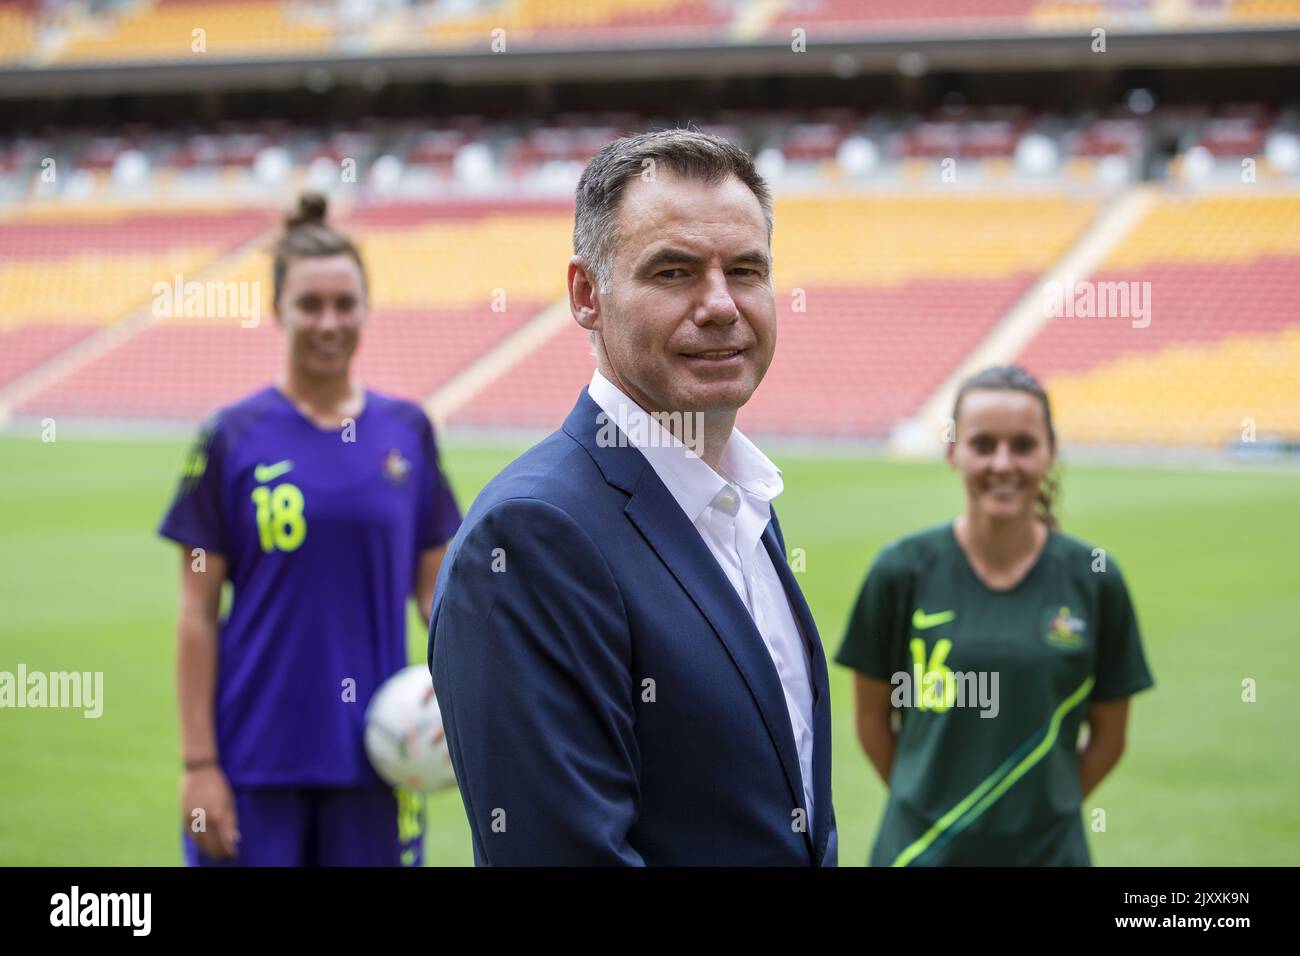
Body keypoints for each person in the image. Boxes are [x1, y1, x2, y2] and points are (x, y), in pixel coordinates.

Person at [430, 130, 837, 866]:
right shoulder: (531, 537)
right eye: (674, 272)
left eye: (746, 270)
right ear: (588, 294)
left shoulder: (740, 505)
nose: (720, 306)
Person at [159, 191, 461, 866]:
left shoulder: (407, 432)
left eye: (345, 304)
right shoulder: (230, 438)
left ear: (365, 309)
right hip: (254, 759)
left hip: (382, 758)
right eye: (310, 305)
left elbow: (439, 597)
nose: (329, 322)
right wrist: (199, 764)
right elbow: (197, 612)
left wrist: (462, 691)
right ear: (278, 310)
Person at [838, 364, 1154, 866]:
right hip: (920, 851)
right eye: (983, 444)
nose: (1003, 463)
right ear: (952, 451)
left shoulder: (1094, 578)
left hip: (1049, 855)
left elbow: (1110, 738)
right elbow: (871, 721)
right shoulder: (900, 570)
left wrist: (1039, 813)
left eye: (1023, 445)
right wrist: (931, 809)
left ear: (1049, 452)